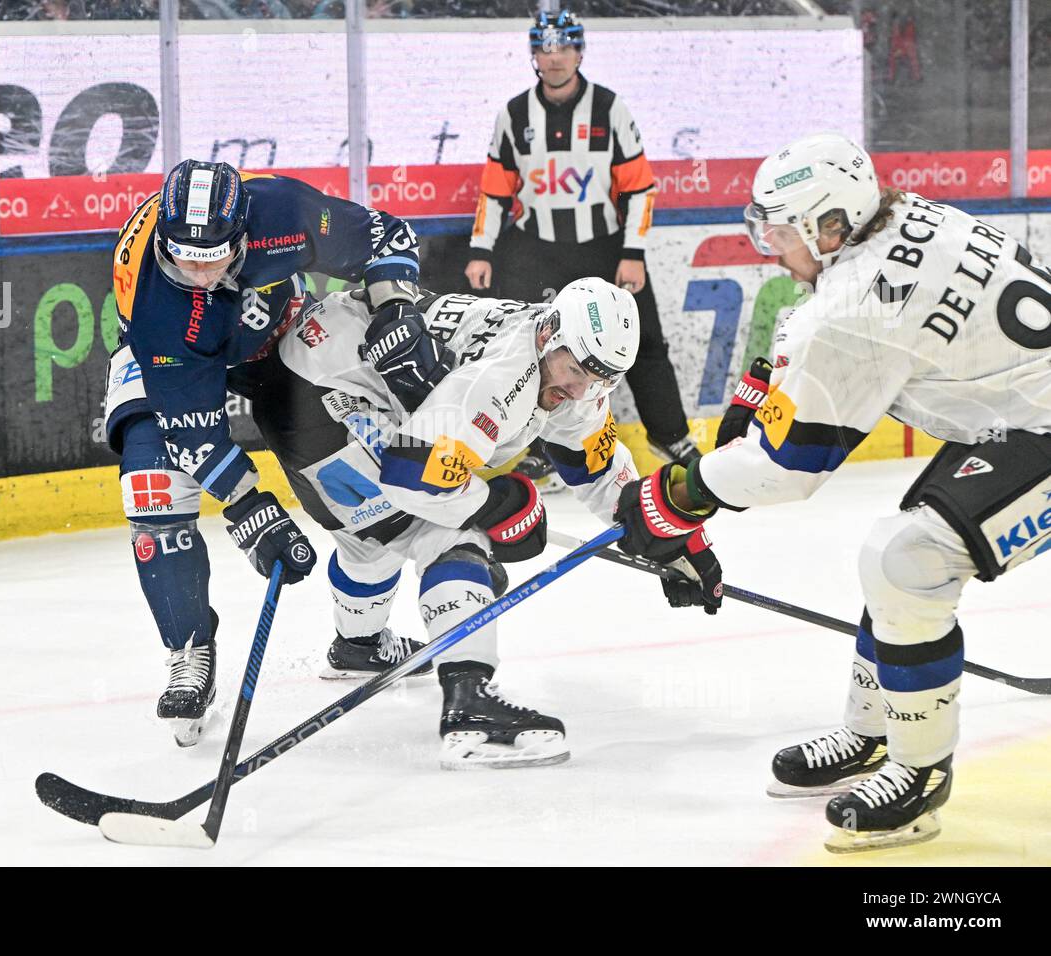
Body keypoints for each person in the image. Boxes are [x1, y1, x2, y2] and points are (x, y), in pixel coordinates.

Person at [615, 131, 1051, 852]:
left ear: (832, 226)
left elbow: (795, 465)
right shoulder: (908, 215)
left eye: (783, 232)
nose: (770, 247)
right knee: (896, 570)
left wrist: (680, 493)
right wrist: (771, 382)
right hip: (1015, 416)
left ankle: (919, 776)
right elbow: (844, 324)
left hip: (1036, 424)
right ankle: (873, 732)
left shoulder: (852, 309)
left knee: (906, 563)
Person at [247, 277, 722, 768]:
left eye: (601, 379)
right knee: (448, 535)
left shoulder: (568, 364)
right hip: (318, 397)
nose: (581, 390)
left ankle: (358, 645)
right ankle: (468, 705)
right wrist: (494, 505)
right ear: (548, 334)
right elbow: (411, 475)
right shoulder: (503, 376)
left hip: (330, 370)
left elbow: (599, 470)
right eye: (577, 370)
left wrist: (678, 541)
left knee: (372, 537)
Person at [107, 159, 451, 745]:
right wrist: (250, 513)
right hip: (174, 358)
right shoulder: (155, 299)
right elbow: (193, 431)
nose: (195, 273)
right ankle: (188, 650)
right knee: (152, 486)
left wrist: (394, 309)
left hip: (276, 340)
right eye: (182, 258)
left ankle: (360, 640)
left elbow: (385, 236)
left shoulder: (284, 213)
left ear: (242, 236)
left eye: (211, 257)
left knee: (362, 497)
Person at [465, 9, 699, 471]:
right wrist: (481, 248)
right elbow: (494, 190)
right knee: (530, 348)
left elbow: (639, 189)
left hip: (605, 246)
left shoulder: (611, 109)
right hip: (536, 248)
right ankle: (532, 446)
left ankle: (670, 436)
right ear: (534, 53)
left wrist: (633, 252)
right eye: (545, 48)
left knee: (645, 340)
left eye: (564, 47)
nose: (554, 58)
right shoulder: (513, 116)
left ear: (580, 51)